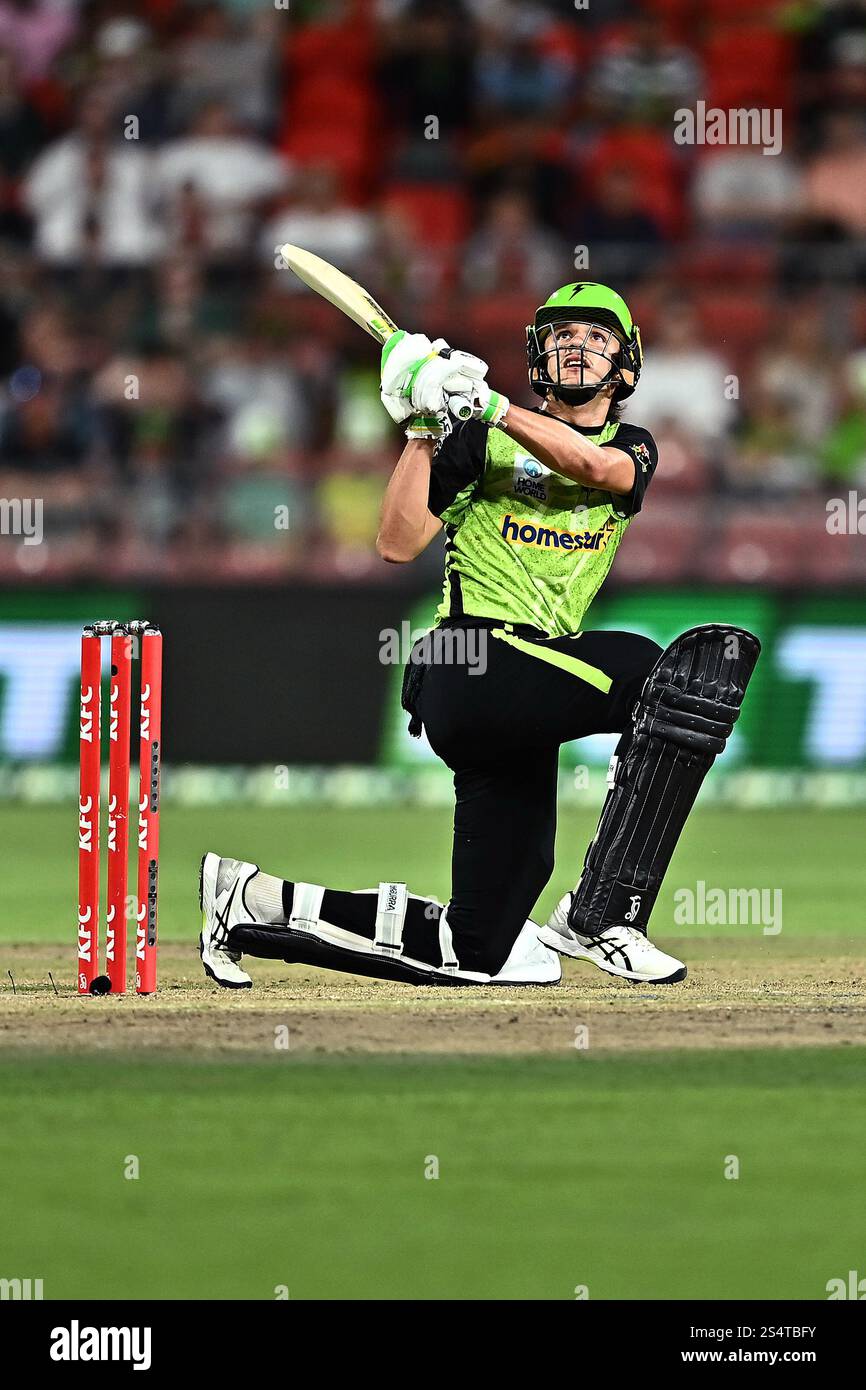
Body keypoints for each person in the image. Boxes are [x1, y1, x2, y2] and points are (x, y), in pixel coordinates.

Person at [199, 282, 759, 990]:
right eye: (562, 336)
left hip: (527, 689)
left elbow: (590, 467)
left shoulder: (631, 445)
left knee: (480, 950)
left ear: (626, 365)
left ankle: (250, 902)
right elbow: (398, 543)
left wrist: (494, 407)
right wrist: (421, 429)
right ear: (537, 355)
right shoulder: (476, 438)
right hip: (471, 663)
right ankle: (605, 916)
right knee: (662, 673)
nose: (577, 347)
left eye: (595, 337)